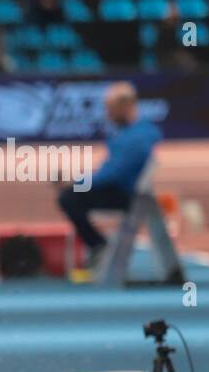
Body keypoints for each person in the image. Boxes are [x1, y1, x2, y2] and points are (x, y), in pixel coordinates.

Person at [55, 81, 161, 271]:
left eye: (110, 109)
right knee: (72, 194)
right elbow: (109, 172)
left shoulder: (136, 137)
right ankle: (98, 245)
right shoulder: (132, 133)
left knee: (69, 198)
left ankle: (98, 245)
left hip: (125, 195)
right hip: (122, 191)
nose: (108, 114)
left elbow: (112, 175)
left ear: (125, 106)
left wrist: (77, 183)